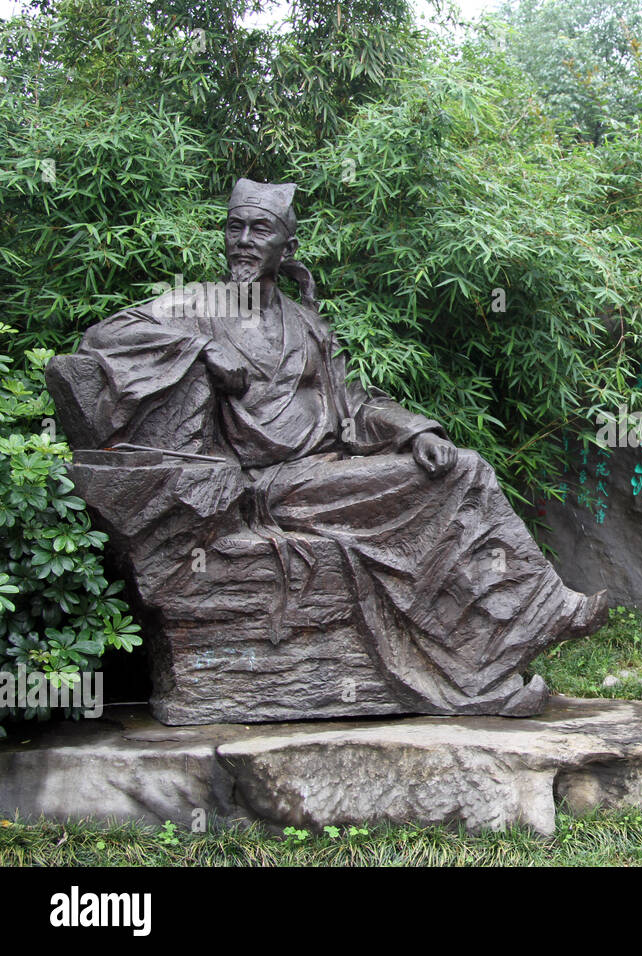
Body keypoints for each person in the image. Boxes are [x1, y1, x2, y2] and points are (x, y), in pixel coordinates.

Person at [61, 178, 606, 717]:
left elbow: (357, 404)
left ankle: (501, 648)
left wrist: (415, 429)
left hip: (329, 469)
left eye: (260, 228)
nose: (244, 239)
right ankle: (536, 619)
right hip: (270, 484)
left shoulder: (307, 323)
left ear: (287, 247)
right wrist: (198, 345)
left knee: (457, 469)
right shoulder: (195, 304)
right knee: (463, 478)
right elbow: (104, 338)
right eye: (235, 227)